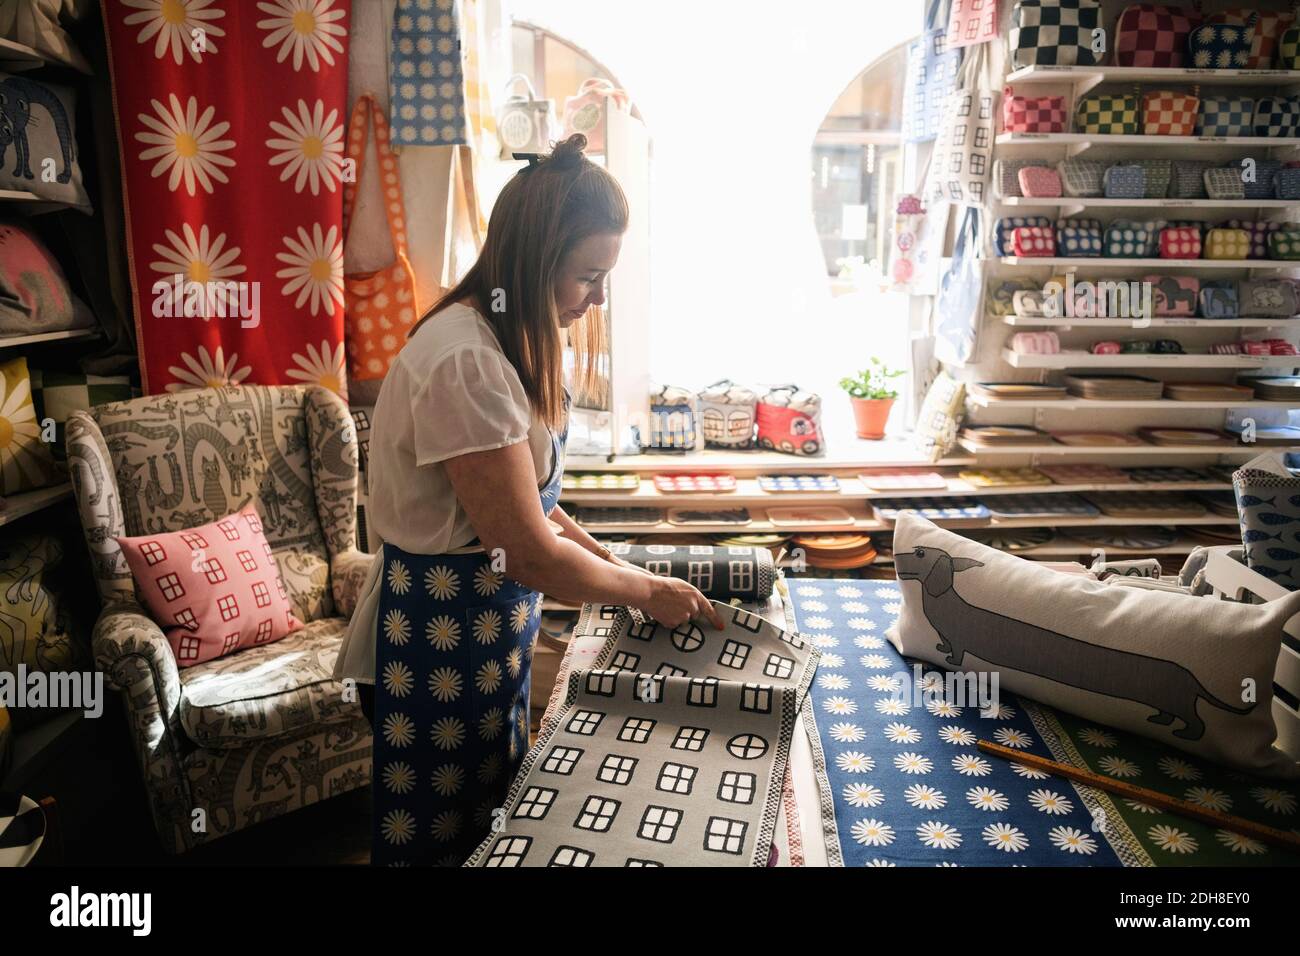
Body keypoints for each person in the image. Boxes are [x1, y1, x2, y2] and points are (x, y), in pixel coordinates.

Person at [335, 134, 723, 867]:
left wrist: (609, 562)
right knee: (440, 845)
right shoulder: (465, 362)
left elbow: (535, 503)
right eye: (587, 277)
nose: (599, 298)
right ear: (533, 261)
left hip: (486, 638)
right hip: (434, 645)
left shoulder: (510, 337)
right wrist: (640, 592)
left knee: (490, 827)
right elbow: (525, 550)